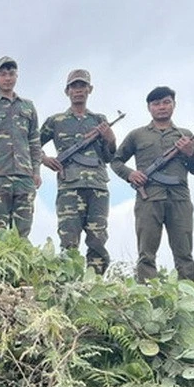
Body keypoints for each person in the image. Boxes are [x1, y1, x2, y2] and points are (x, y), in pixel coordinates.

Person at [111, 86, 194, 282]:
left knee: (184, 254)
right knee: (146, 254)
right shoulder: (137, 135)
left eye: (166, 102)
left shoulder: (185, 135)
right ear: (149, 108)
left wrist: (190, 152)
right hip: (149, 200)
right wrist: (130, 174)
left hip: (179, 199)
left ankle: (188, 295)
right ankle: (146, 296)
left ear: (173, 105)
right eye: (156, 104)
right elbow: (116, 160)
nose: (161, 107)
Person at [40, 69, 117, 274]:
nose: (78, 90)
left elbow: (110, 157)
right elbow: (32, 143)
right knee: (69, 238)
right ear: (67, 91)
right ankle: (69, 283)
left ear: (89, 89)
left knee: (98, 238)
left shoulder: (99, 120)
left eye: (82, 86)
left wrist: (110, 138)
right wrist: (45, 160)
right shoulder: (55, 121)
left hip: (97, 187)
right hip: (70, 187)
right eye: (74, 86)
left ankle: (96, 283)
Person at [0, 56, 43, 236]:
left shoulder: (28, 107)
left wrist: (36, 171)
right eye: (3, 74)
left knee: (22, 232)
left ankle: (20, 264)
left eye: (11, 74)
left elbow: (34, 141)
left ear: (16, 76)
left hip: (24, 176)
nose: (7, 78)